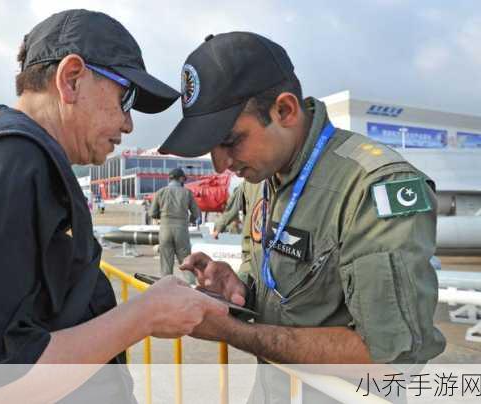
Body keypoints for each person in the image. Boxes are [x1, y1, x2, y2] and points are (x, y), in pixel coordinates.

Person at [0, 10, 227, 403]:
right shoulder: (11, 162)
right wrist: (145, 315)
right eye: (127, 99)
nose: (128, 124)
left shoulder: (13, 156)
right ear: (71, 78)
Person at [159, 32, 445, 402]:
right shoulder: (259, 178)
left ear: (285, 111)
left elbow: (388, 358)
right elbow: (277, 279)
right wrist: (238, 290)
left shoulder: (373, 188)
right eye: (211, 148)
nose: (222, 164)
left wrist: (229, 330)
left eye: (230, 140)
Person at [150, 168, 200, 278]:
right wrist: (190, 220)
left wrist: (163, 217)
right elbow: (196, 213)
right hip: (181, 230)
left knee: (166, 264)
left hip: (165, 230)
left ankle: (166, 289)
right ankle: (190, 286)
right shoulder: (187, 192)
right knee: (186, 261)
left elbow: (152, 213)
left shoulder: (160, 192)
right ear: (181, 178)